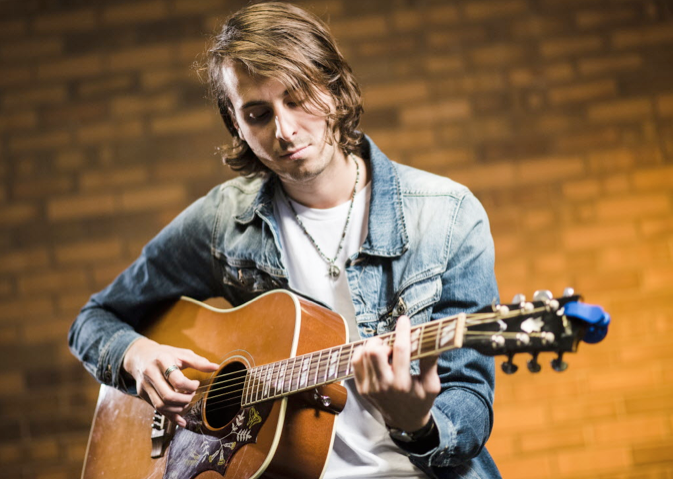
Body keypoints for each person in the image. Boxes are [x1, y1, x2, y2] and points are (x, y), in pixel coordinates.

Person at [69, 2, 501, 478]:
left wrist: (416, 424)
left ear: (333, 88)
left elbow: (471, 400)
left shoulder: (446, 215)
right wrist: (136, 355)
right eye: (257, 114)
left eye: (297, 99)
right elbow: (92, 321)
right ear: (236, 124)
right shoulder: (224, 222)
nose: (285, 130)